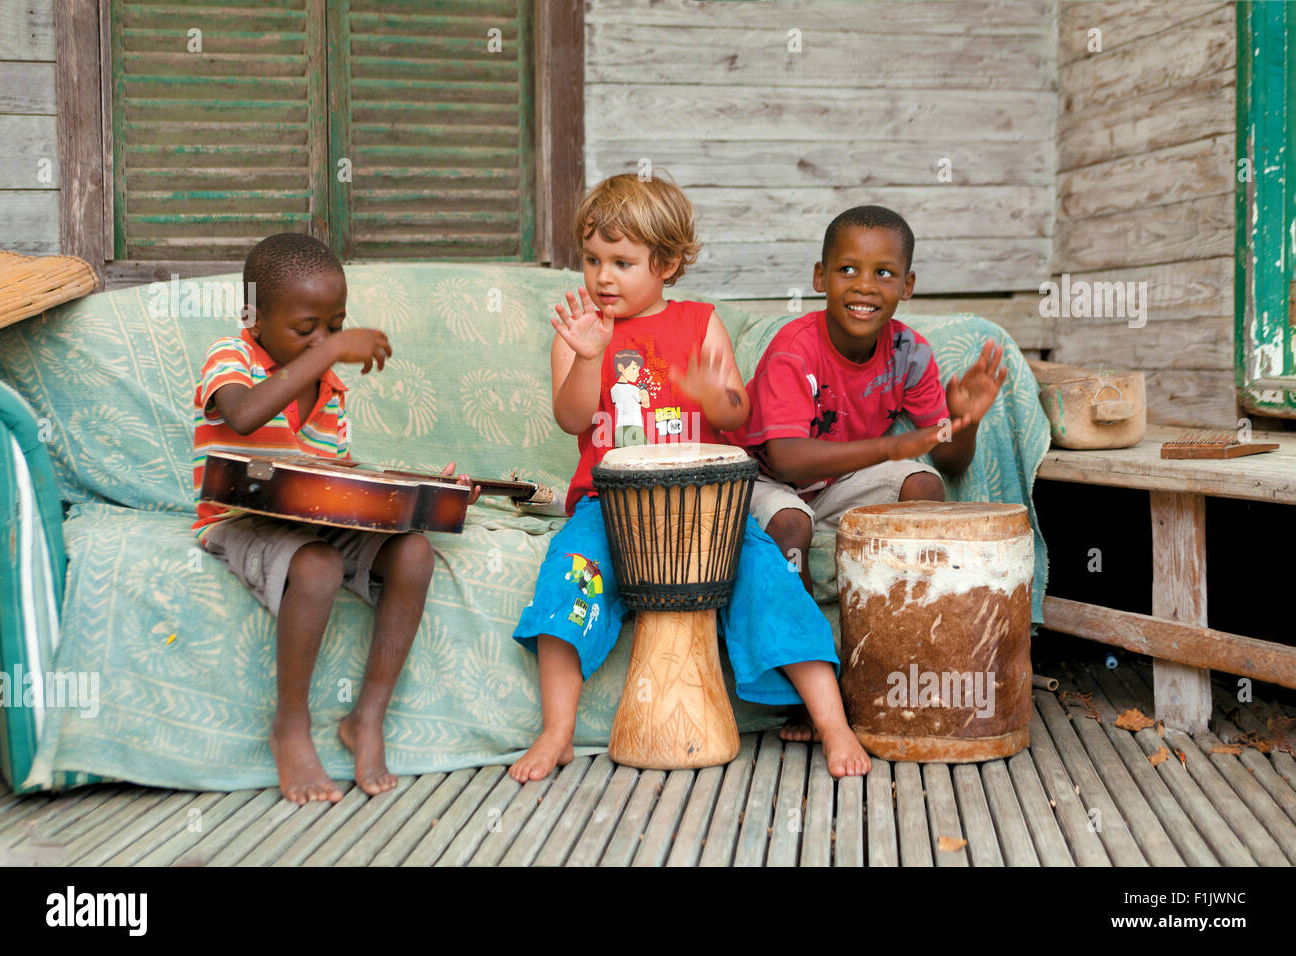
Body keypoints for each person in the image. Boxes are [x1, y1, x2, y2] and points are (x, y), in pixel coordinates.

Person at [509, 174, 869, 782]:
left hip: (711, 507)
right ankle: (558, 730)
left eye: (622, 262)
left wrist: (715, 395)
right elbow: (571, 418)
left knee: (773, 584)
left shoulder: (701, 324)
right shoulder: (580, 332)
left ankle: (834, 725)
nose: (602, 278)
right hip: (610, 503)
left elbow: (737, 415)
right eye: (593, 260)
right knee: (567, 580)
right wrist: (588, 356)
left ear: (669, 263)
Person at [192, 233, 477, 804]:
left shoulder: (331, 387)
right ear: (253, 315)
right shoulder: (232, 356)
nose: (324, 340)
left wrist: (428, 492)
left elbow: (332, 479)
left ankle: (366, 718)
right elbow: (245, 416)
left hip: (310, 518)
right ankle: (290, 729)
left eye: (336, 323)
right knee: (317, 567)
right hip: (238, 519)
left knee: (415, 551)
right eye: (306, 329)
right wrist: (325, 353)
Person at [740, 205, 1006, 741]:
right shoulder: (795, 348)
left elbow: (951, 461)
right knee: (793, 525)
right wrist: (888, 445)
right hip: (766, 479)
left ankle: (908, 652)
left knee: (923, 483)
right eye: (847, 270)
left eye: (883, 272)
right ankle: (806, 695)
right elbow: (788, 458)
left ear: (906, 285)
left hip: (840, 482)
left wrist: (963, 422)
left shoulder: (909, 353)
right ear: (820, 277)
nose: (865, 285)